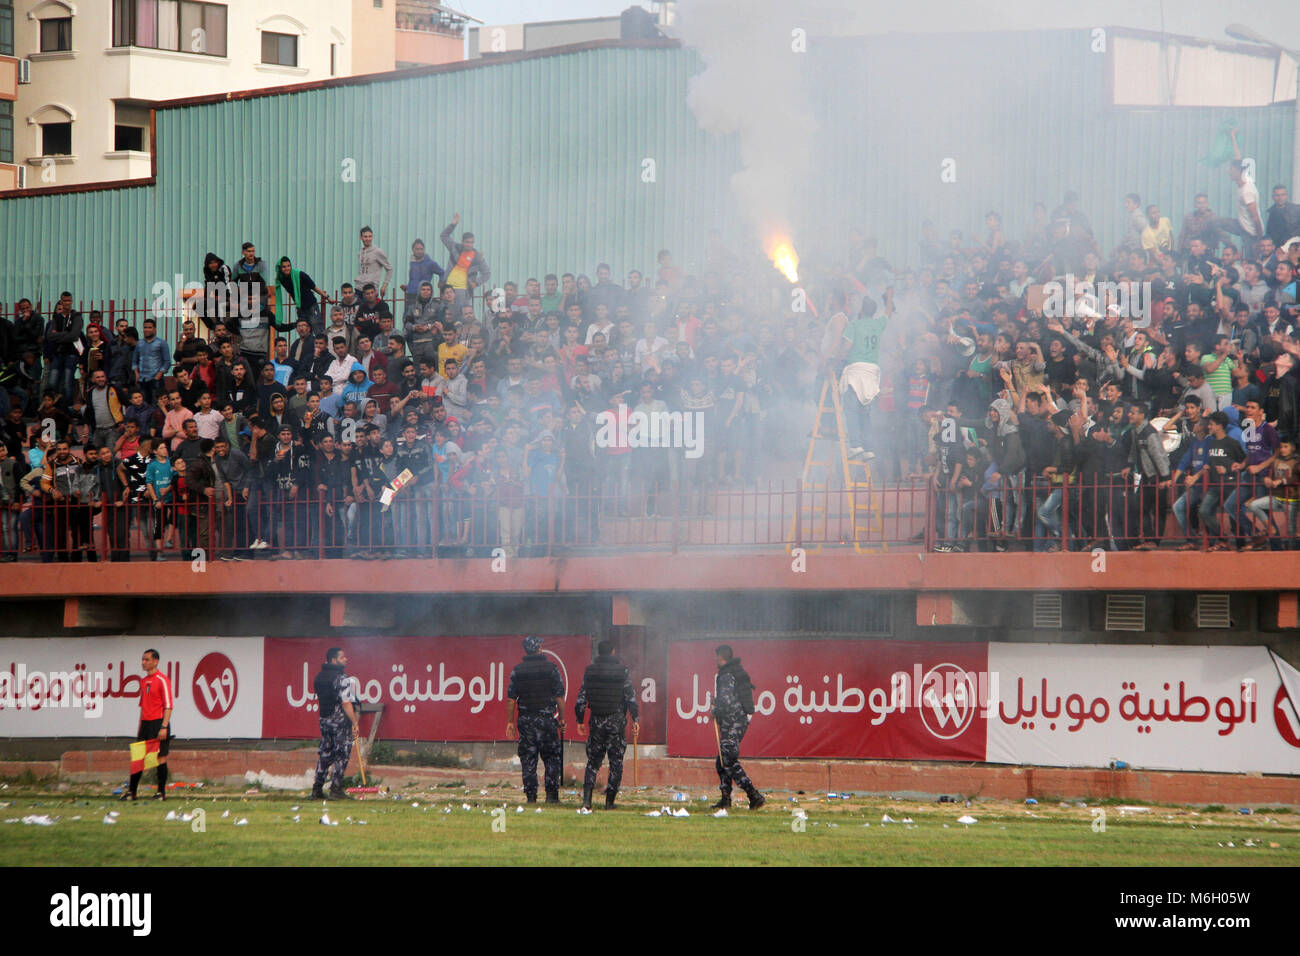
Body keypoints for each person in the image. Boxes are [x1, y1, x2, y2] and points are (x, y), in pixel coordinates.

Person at [574, 640, 639, 810]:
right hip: (616, 722)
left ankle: (587, 800)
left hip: (596, 721)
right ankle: (609, 802)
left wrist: (579, 720)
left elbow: (581, 699)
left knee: (593, 762)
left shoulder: (590, 671)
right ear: (612, 652)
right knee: (616, 762)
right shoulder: (622, 671)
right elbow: (630, 697)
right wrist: (636, 718)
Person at [505, 635, 565, 804]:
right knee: (552, 758)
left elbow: (511, 699)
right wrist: (562, 719)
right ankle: (552, 796)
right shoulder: (551, 669)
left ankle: (531, 797)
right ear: (539, 648)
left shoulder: (518, 671)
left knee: (528, 759)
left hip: (526, 721)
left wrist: (510, 722)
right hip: (546, 721)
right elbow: (559, 697)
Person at [709, 644, 764, 810]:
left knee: (728, 759)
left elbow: (726, 702)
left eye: (716, 656)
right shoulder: (732, 672)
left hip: (734, 722)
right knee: (721, 761)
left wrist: (716, 709)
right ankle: (725, 799)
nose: (715, 660)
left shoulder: (726, 675)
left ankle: (753, 795)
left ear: (721, 657)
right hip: (734, 721)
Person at [311, 646, 360, 801]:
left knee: (325, 754)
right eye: (342, 657)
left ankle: (317, 789)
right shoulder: (342, 678)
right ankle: (336, 789)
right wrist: (354, 722)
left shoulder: (319, 677)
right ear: (334, 660)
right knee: (341, 754)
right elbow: (346, 703)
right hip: (339, 721)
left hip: (324, 719)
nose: (346, 659)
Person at [127, 648, 173, 801]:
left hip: (158, 723)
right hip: (145, 724)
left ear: (155, 661)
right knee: (138, 758)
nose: (143, 662)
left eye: (147, 659)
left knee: (161, 757)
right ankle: (131, 792)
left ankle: (161, 793)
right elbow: (143, 706)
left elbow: (168, 705)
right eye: (143, 659)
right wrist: (139, 727)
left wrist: (164, 726)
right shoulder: (143, 681)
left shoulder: (162, 680)